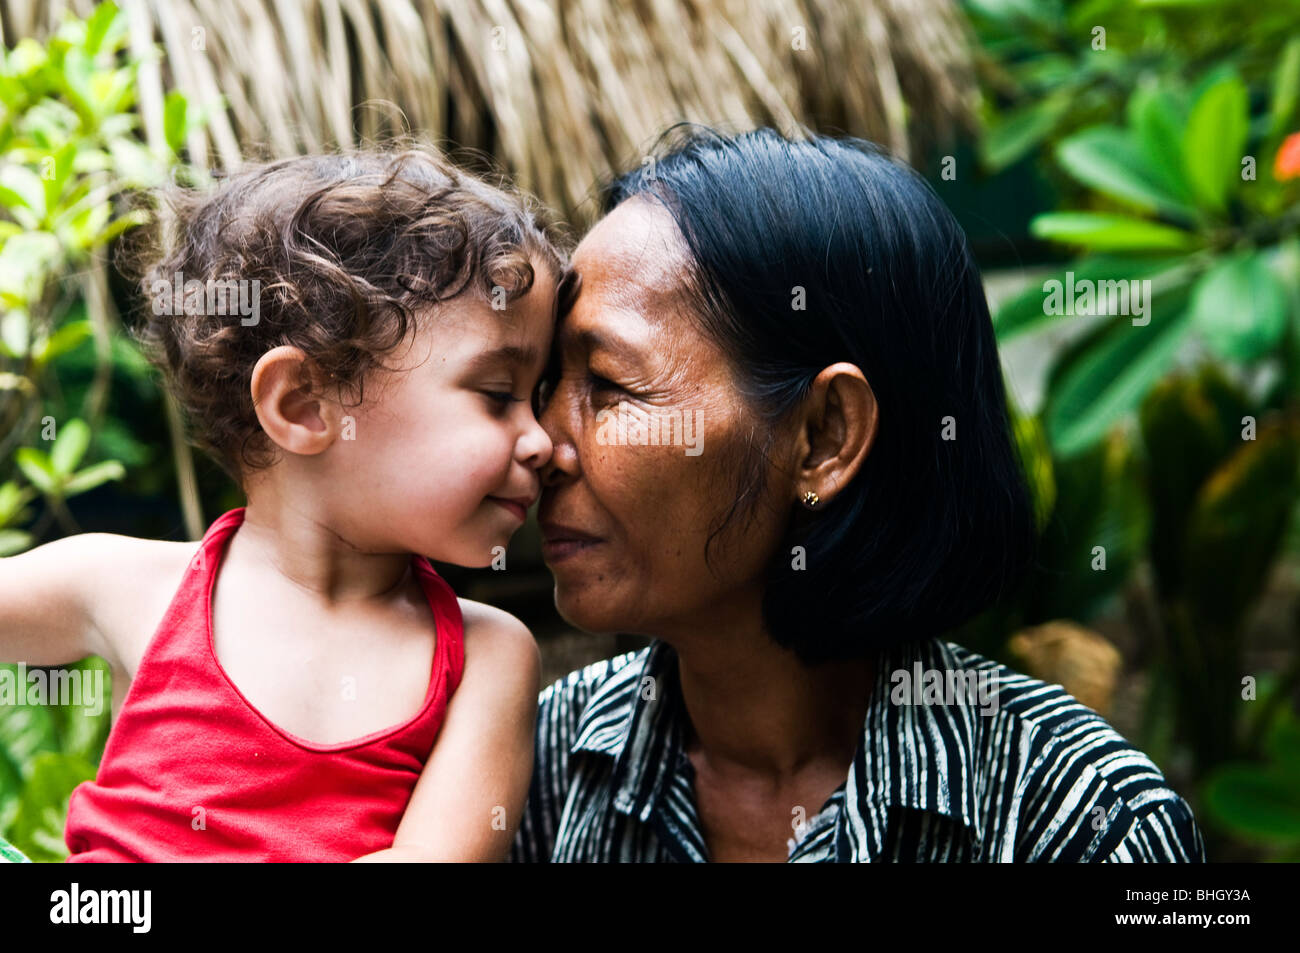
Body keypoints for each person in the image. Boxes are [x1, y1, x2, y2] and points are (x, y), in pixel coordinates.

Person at [511, 127, 1206, 862]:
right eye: (547, 383)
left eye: (610, 386)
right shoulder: (543, 758)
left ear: (824, 436)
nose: (538, 440)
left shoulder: (1086, 824)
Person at [0, 147, 560, 861]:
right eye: (499, 396)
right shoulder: (123, 586)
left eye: (539, 399)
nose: (543, 440)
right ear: (302, 404)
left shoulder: (488, 656)